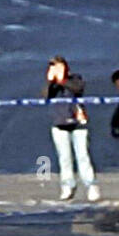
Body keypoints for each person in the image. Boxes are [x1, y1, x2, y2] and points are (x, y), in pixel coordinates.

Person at [44, 56, 100, 201]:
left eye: (59, 67)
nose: (56, 70)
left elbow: (77, 88)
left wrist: (62, 80)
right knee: (64, 158)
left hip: (78, 123)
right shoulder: (53, 86)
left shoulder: (75, 79)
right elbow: (45, 96)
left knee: (83, 156)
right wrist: (51, 82)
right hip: (59, 124)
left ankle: (91, 185)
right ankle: (67, 186)